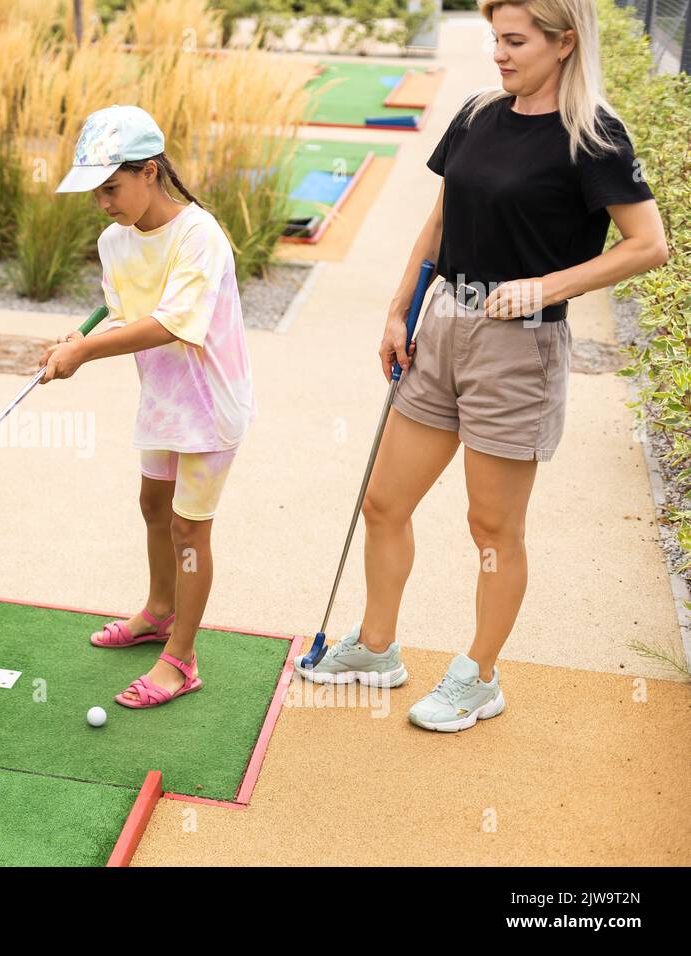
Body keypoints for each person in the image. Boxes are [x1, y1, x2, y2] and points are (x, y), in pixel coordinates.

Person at [296, 0, 669, 732]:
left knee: (492, 529)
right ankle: (377, 650)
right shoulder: (477, 113)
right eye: (496, 37)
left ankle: (480, 676)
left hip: (518, 348)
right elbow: (440, 219)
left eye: (515, 41)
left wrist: (549, 285)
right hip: (440, 329)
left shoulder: (592, 135)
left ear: (564, 44)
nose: (498, 53)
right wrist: (400, 306)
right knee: (383, 502)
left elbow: (648, 244)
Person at [39, 104, 255, 709]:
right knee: (153, 504)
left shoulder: (199, 236)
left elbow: (170, 324)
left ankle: (182, 659)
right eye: (95, 192)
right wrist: (74, 341)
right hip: (162, 399)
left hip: (211, 404)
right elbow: (124, 313)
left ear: (150, 172)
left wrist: (85, 353)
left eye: (111, 188)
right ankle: (160, 611)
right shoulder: (115, 242)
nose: (103, 204)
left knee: (190, 527)